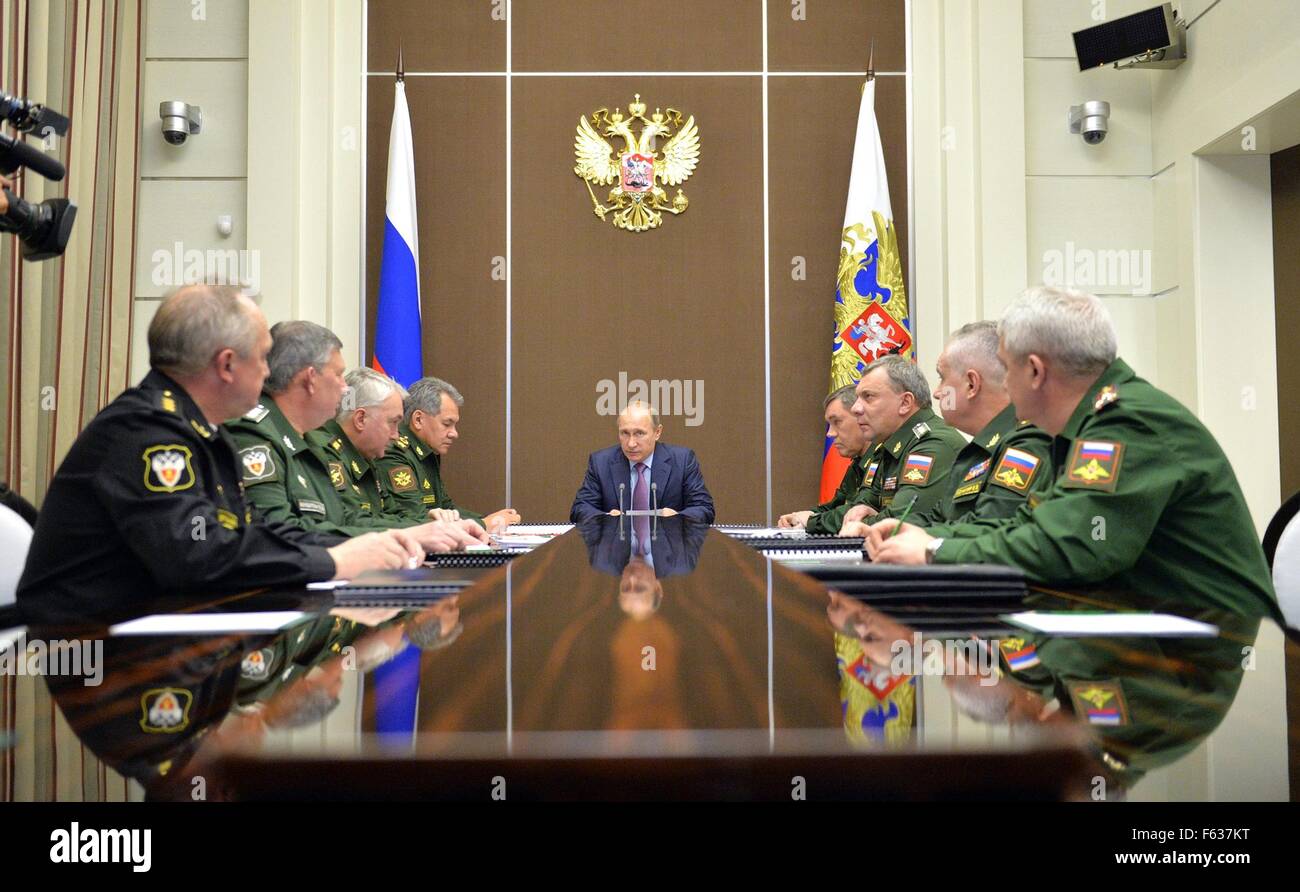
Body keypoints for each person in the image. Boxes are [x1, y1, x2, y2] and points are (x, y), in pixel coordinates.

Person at [867, 286, 1280, 620]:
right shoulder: (1085, 427)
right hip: (1153, 631)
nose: (1004, 385)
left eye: (1007, 369)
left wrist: (934, 551)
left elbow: (1075, 548)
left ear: (1034, 371)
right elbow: (1030, 528)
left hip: (1210, 651)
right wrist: (924, 536)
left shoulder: (1127, 423)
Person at [16, 285, 429, 615]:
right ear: (227, 364)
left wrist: (352, 548)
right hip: (81, 650)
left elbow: (252, 533)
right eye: (264, 357)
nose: (269, 373)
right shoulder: (147, 432)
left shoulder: (200, 430)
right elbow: (196, 558)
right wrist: (335, 563)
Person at [225, 322, 483, 551]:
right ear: (311, 379)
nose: (345, 387)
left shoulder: (312, 441)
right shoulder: (255, 436)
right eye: (338, 374)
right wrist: (401, 537)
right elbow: (279, 535)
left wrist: (418, 532)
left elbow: (347, 518)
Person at [841, 321, 1053, 537]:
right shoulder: (976, 452)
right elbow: (939, 518)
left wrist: (928, 545)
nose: (937, 393)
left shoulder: (1023, 442)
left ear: (971, 384)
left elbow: (990, 531)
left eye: (943, 378)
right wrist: (881, 529)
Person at [834, 355, 965, 532]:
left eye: (868, 397)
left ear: (905, 403)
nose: (856, 408)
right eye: (858, 398)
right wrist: (867, 513)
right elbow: (867, 504)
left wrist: (862, 524)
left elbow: (903, 522)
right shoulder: (890, 446)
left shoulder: (932, 444)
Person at [375, 376, 521, 533]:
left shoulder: (428, 451)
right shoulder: (394, 451)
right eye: (447, 424)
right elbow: (413, 517)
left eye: (455, 425)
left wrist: (489, 519)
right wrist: (484, 524)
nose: (454, 434)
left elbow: (445, 508)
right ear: (418, 420)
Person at [569, 401, 715, 523]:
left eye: (639, 433)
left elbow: (704, 509)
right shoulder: (601, 462)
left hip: (667, 553)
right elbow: (581, 509)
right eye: (625, 433)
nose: (631, 443)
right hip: (618, 553)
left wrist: (677, 518)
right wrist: (605, 519)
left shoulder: (682, 460)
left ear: (657, 432)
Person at [308, 367, 406, 523]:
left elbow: (393, 514)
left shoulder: (365, 455)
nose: (396, 435)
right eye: (393, 422)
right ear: (360, 419)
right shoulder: (326, 452)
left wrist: (431, 524)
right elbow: (352, 521)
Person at [777, 385, 872, 534]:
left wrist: (810, 521)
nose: (830, 433)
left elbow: (857, 514)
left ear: (862, 417)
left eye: (837, 422)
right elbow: (835, 506)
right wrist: (799, 517)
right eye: (829, 424)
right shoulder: (858, 463)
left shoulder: (882, 460)